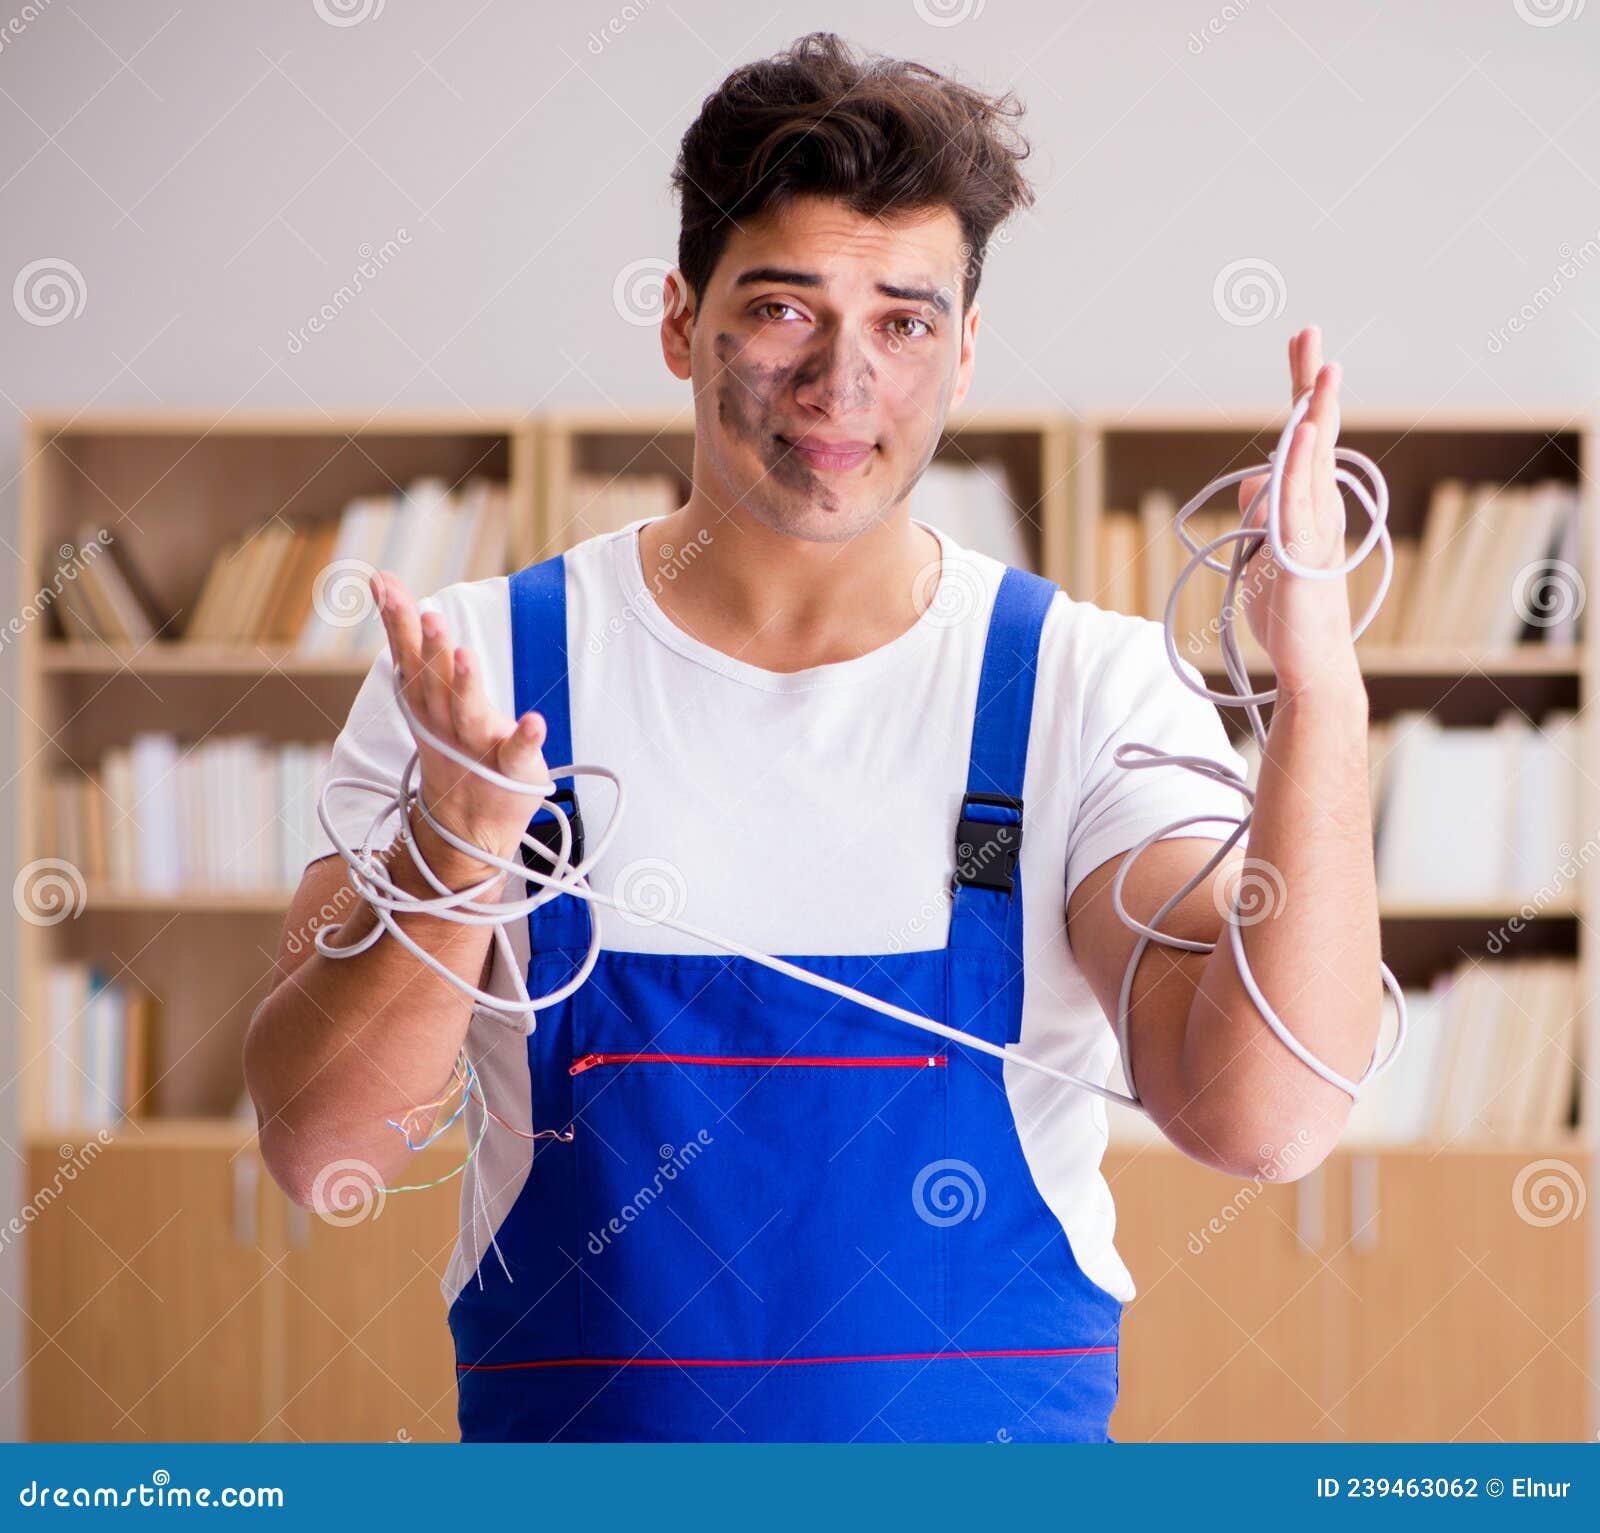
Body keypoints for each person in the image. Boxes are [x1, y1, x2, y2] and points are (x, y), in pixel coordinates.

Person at [244, 31, 1380, 1443]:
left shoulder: (1084, 688)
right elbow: (326, 1150)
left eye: (905, 321)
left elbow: (1261, 1121)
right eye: (783, 309)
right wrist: (460, 832)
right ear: (680, 322)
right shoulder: (470, 675)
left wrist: (1319, 685)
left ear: (964, 350)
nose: (845, 382)